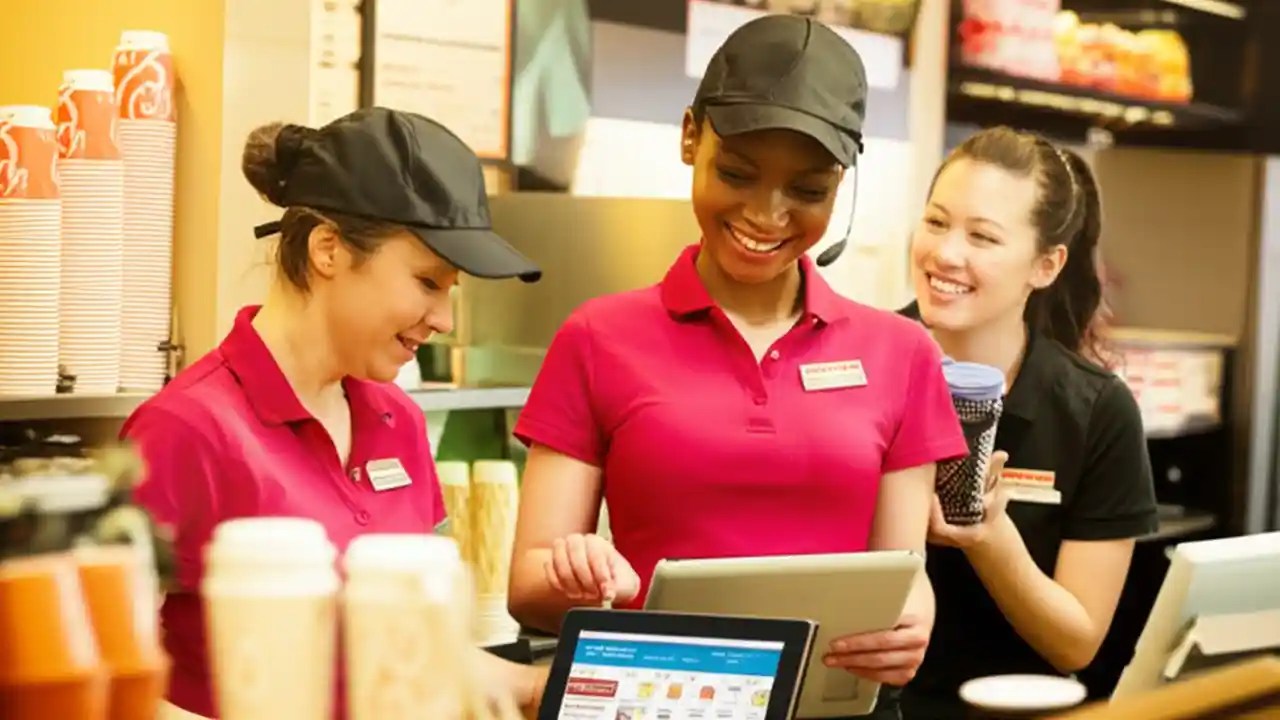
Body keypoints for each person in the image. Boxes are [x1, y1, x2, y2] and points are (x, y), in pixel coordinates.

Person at [507, 13, 970, 714]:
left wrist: (911, 621)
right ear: (690, 137)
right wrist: (589, 581)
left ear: (841, 182)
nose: (768, 213)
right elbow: (529, 587)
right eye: (737, 174)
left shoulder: (902, 353)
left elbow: (904, 573)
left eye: (808, 191)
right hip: (661, 702)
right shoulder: (598, 337)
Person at [124, 107, 549, 719]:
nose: (444, 319)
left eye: (451, 290)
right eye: (428, 282)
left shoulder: (399, 421)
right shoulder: (184, 432)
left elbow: (424, 651)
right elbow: (114, 689)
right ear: (328, 249)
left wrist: (547, 690)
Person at [898, 126, 1158, 719]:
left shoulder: (1097, 410)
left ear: (1046, 264)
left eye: (983, 236)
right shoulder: (862, 362)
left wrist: (991, 539)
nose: (946, 254)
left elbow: (1076, 642)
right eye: (936, 222)